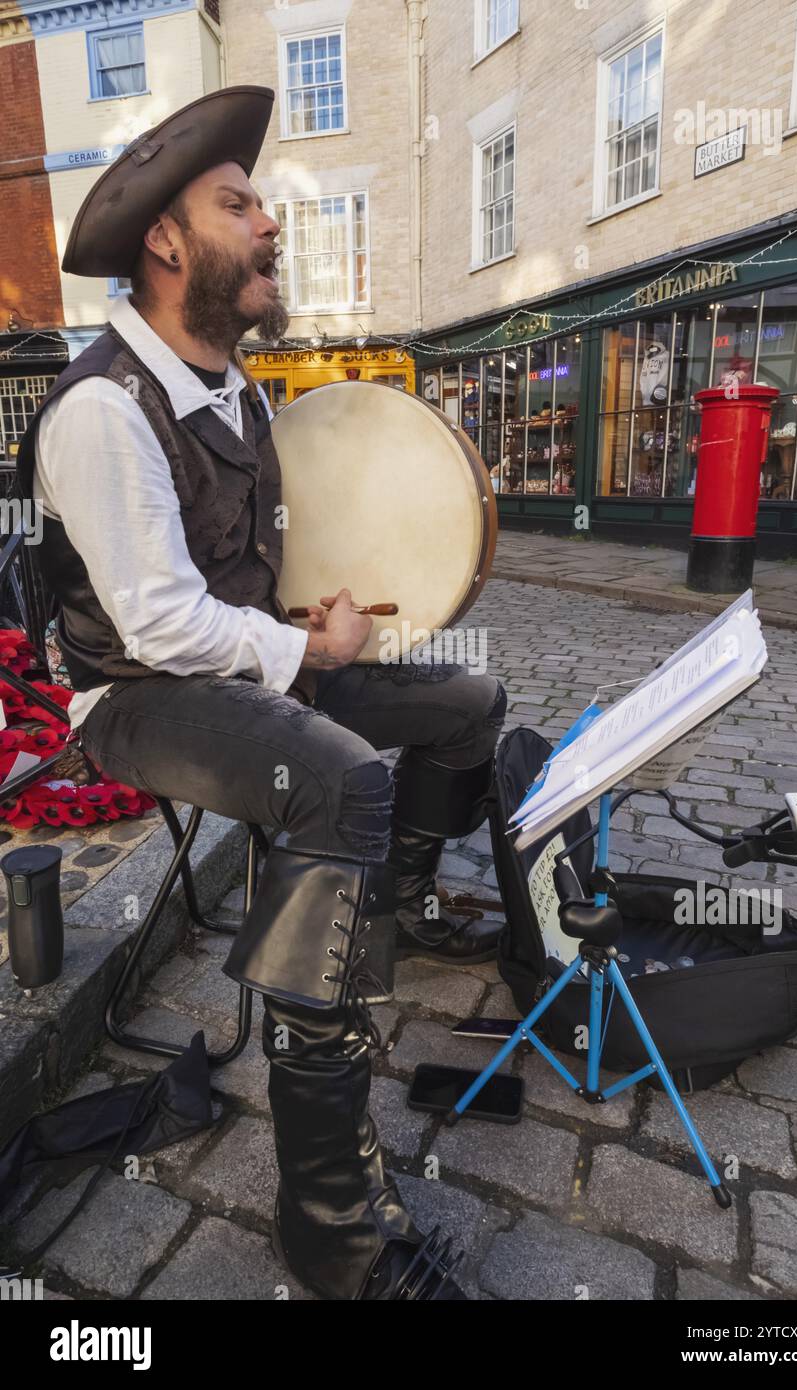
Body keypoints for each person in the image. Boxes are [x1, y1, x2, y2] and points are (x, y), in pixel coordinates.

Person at [15, 86, 507, 1301]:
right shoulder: (99, 409)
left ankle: (385, 913)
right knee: (335, 778)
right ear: (169, 242)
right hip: (134, 696)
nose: (269, 223)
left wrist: (316, 624)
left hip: (236, 668)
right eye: (240, 203)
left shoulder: (237, 391)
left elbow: (247, 579)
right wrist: (308, 656)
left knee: (469, 697)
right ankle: (330, 1223)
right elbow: (159, 622)